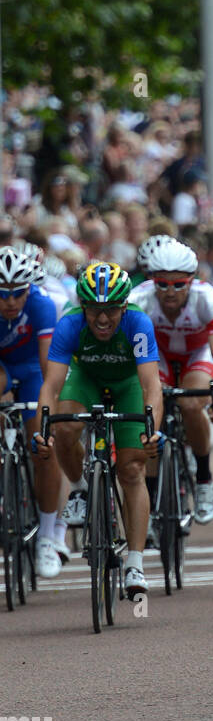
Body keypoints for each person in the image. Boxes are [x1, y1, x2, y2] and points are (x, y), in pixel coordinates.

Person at [33, 263, 163, 598]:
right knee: (64, 427)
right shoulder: (70, 324)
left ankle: (135, 562)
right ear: (83, 307)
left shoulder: (138, 323)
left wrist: (152, 430)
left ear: (123, 307)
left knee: (132, 468)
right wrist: (44, 427)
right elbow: (50, 384)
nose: (102, 320)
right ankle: (78, 489)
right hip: (87, 380)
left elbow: (151, 386)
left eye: (109, 311)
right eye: (94, 311)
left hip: (127, 384)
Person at [129, 237, 213, 525]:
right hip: (157, 356)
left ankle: (203, 478)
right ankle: (148, 501)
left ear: (191, 281)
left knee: (189, 402)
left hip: (195, 354)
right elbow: (131, 357)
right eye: (162, 284)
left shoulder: (208, 298)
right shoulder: (138, 300)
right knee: (151, 415)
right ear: (152, 281)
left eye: (178, 284)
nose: (170, 291)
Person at [0, 247, 65, 577]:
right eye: (2, 294)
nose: (11, 302)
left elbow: (47, 368)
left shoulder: (41, 304)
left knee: (43, 443)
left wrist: (45, 416)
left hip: (32, 370)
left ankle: (48, 535)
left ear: (29, 289)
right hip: (2, 368)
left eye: (18, 293)